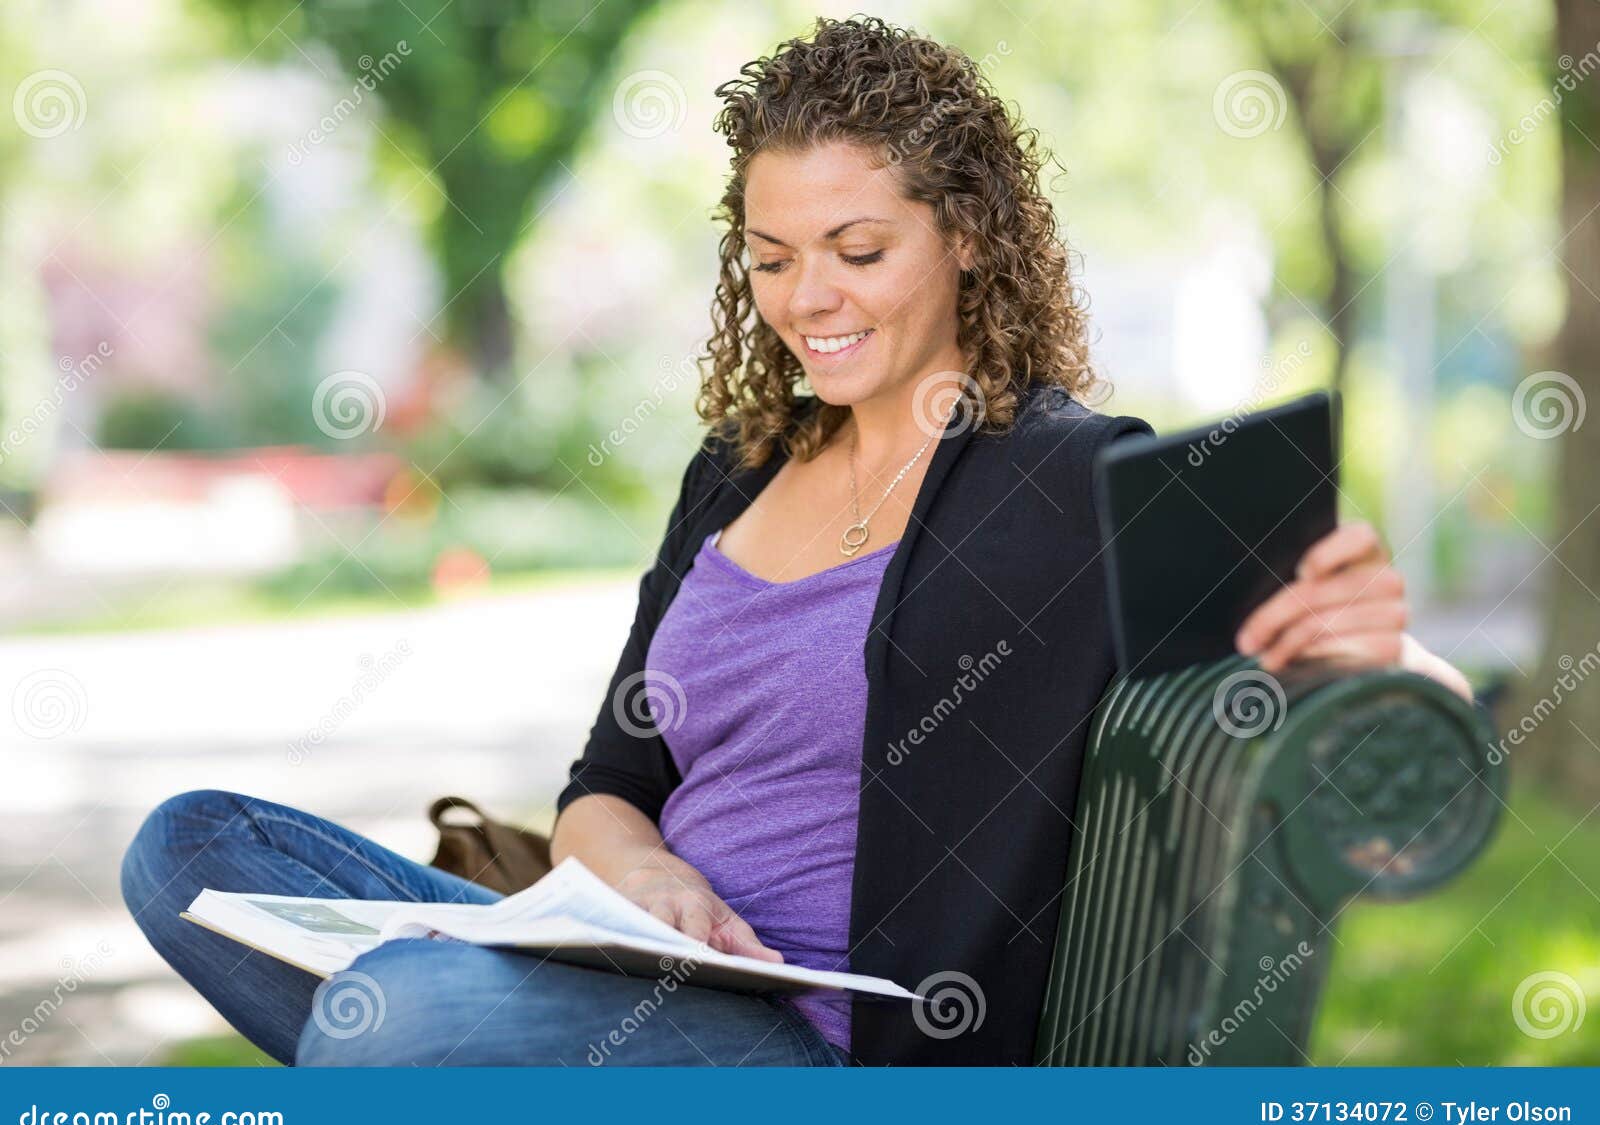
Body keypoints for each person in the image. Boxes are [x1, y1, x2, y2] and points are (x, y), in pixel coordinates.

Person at [120, 16, 1473, 1068]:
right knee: (190, 850)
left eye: (856, 248)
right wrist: (645, 872)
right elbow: (607, 780)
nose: (805, 297)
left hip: (824, 1040)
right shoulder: (735, 470)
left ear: (967, 238)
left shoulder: (1072, 480)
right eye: (771, 256)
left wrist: (1373, 640)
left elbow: (1406, 702)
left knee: (403, 1023)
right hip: (620, 959)